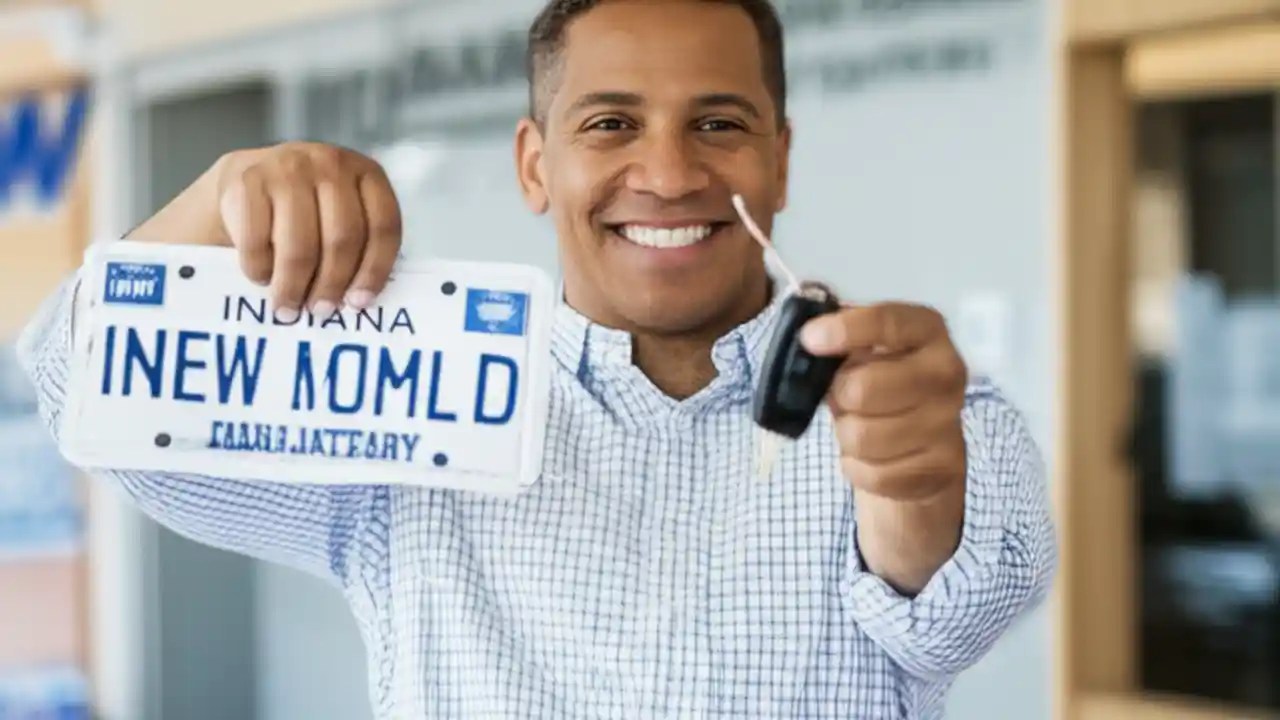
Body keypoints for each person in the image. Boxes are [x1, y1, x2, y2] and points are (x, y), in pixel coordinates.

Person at [18, 0, 1056, 717]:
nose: (665, 171)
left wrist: (912, 488)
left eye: (717, 123)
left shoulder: (922, 405)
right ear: (534, 165)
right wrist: (214, 197)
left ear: (777, 157)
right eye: (610, 124)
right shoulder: (414, 407)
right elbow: (79, 401)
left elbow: (955, 621)